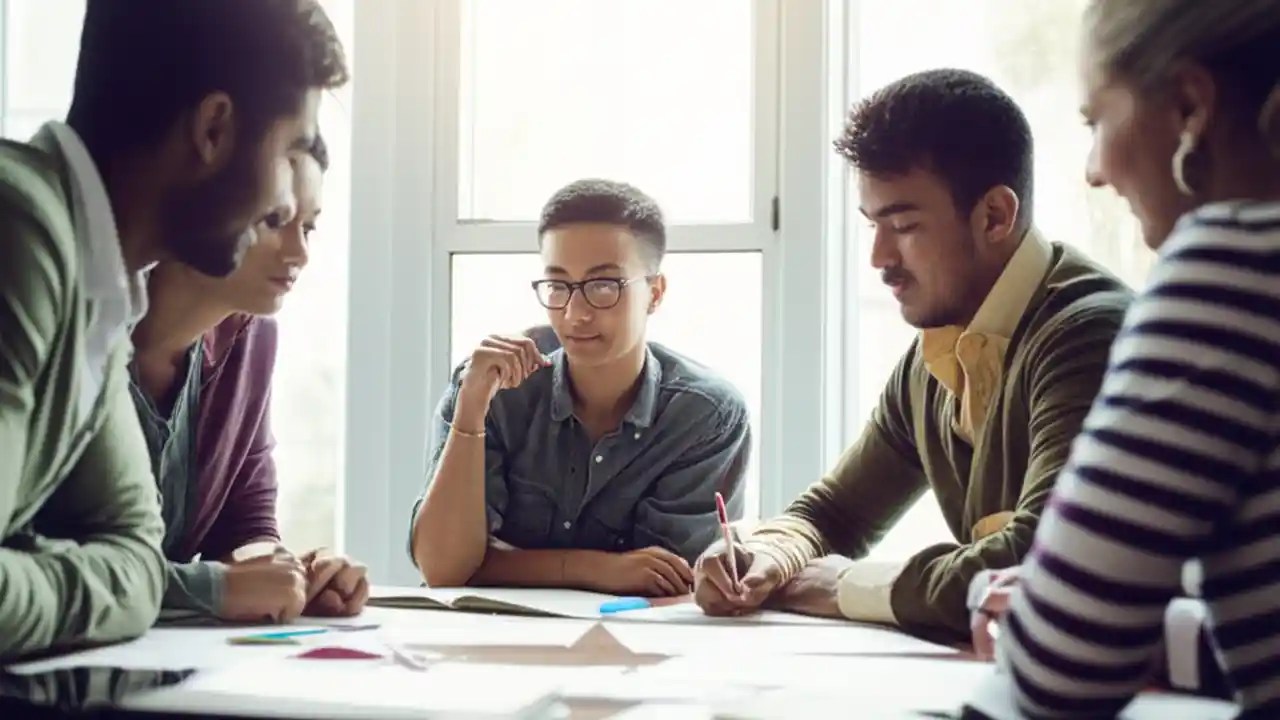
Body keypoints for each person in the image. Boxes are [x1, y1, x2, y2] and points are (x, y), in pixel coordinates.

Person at [693, 69, 1132, 643]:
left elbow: (1042, 559)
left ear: (995, 216)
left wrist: (845, 587)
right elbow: (835, 514)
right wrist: (764, 555)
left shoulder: (1089, 335)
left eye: (902, 225)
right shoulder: (937, 348)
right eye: (872, 225)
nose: (878, 257)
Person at [0, 0, 348, 660]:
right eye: (288, 151)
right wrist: (131, 584)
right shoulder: (22, 233)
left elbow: (138, 560)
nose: (283, 202)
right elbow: (129, 578)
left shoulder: (102, 286)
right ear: (213, 129)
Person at [971, 1, 1280, 715]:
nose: (1095, 170)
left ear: (1188, 106)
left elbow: (1056, 676)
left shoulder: (1232, 268)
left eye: (1096, 123)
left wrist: (1062, 616)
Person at [410, 179, 751, 596]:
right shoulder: (493, 389)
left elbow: (665, 579)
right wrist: (469, 414)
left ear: (655, 293)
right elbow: (444, 568)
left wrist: (499, 561)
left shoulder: (705, 417)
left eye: (603, 286)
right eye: (558, 286)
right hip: (496, 640)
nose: (575, 314)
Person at [129, 136, 368, 623]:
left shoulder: (251, 338)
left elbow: (243, 525)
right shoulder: (88, 331)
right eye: (276, 220)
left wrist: (291, 576)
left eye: (310, 226)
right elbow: (55, 563)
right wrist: (214, 588)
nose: (300, 251)